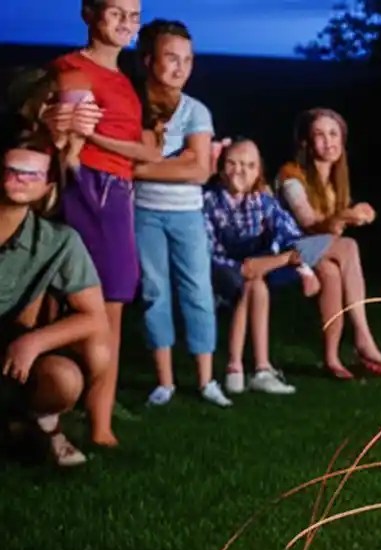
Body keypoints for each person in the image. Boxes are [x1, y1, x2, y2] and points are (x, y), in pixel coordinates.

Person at [48, 0, 159, 420]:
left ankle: (97, 412)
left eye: (134, 16)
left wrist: (105, 143)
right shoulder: (74, 68)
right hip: (93, 186)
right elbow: (68, 141)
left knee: (113, 299)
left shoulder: (127, 81)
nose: (126, 23)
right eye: (116, 12)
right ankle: (79, 411)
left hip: (119, 189)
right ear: (89, 14)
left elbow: (148, 150)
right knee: (96, 299)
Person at [1, 120, 113, 466]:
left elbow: (94, 317)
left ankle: (36, 420)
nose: (21, 180)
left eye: (32, 175)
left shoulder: (58, 241)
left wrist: (32, 343)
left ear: (47, 186)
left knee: (65, 376)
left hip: (9, 348)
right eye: (13, 171)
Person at [132, 19, 231, 408]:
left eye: (187, 60)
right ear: (148, 60)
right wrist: (179, 161)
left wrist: (143, 166)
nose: (180, 68)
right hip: (145, 212)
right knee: (154, 291)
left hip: (187, 214)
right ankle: (165, 382)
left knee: (198, 291)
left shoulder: (195, 111)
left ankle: (206, 380)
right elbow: (146, 161)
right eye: (171, 58)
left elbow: (201, 170)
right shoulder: (134, 106)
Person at [276, 107, 381, 380]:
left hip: (316, 252)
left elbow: (330, 231)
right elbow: (308, 223)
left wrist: (359, 214)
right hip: (288, 249)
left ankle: (331, 358)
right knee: (349, 247)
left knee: (331, 272)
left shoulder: (335, 181)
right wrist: (343, 217)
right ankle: (363, 337)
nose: (328, 141)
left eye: (334, 134)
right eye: (319, 135)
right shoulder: (291, 175)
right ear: (306, 142)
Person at [205, 138, 327, 395]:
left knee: (256, 284)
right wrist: (244, 268)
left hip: (258, 267)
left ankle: (244, 369)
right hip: (221, 271)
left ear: (258, 172)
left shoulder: (262, 201)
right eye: (233, 163)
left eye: (249, 166)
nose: (240, 171)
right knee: (250, 283)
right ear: (221, 168)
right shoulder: (208, 201)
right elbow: (209, 252)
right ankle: (248, 367)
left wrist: (299, 267)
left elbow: (291, 236)